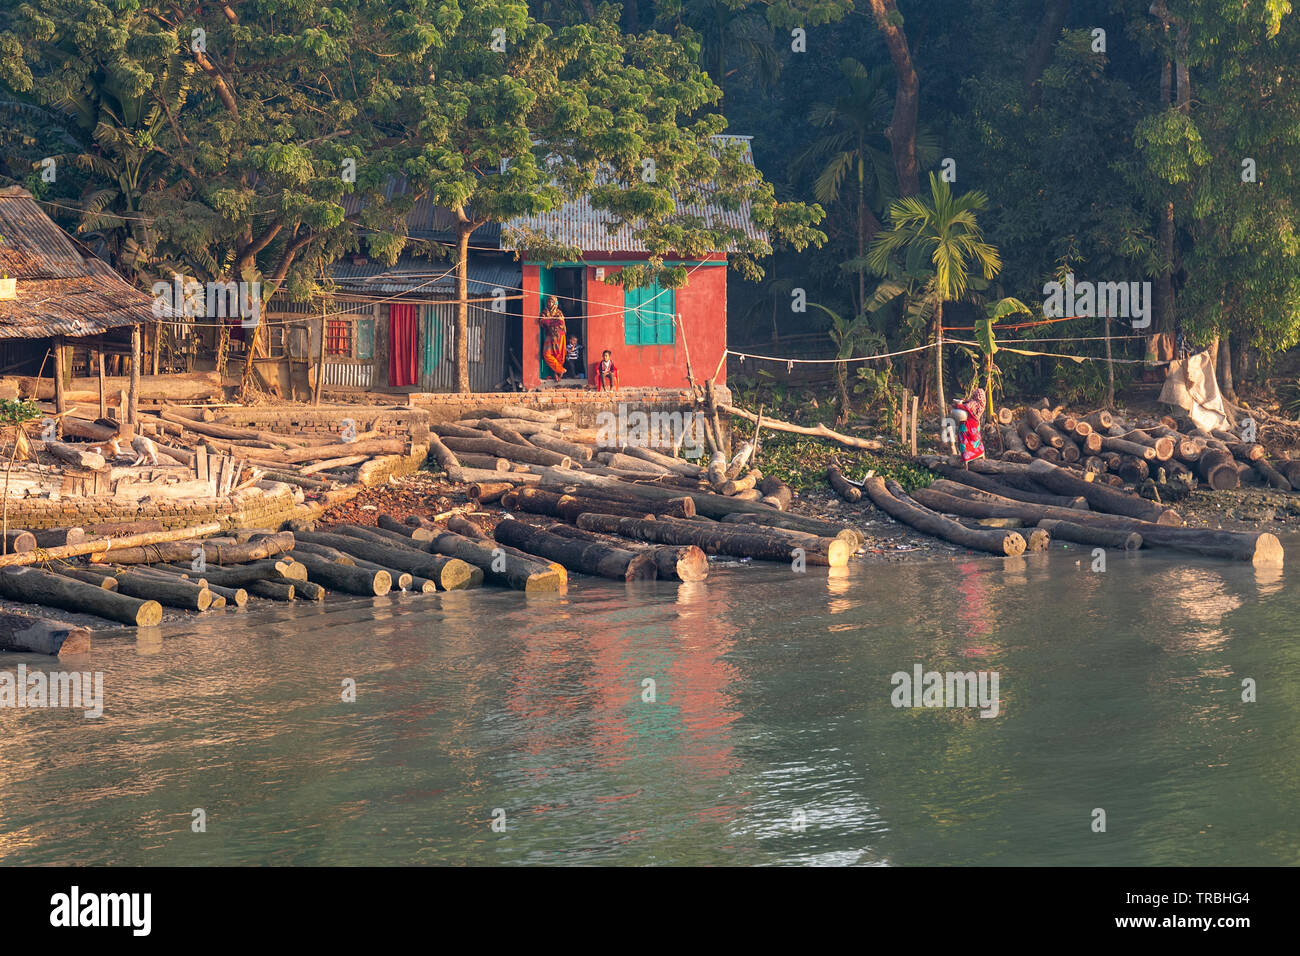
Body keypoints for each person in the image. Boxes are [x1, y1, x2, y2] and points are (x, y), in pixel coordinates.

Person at [951, 385, 986, 468]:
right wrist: (965, 401)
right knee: (976, 440)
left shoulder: (972, 404)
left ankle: (966, 461)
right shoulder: (981, 404)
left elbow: (962, 406)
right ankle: (980, 453)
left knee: (964, 441)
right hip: (975, 425)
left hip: (967, 425)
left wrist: (956, 404)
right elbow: (968, 403)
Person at [539, 296, 567, 379]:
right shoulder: (544, 312)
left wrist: (549, 321)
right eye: (548, 302)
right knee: (546, 354)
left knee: (560, 356)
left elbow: (560, 322)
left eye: (551, 302)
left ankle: (557, 373)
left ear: (555, 303)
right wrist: (553, 321)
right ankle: (560, 370)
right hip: (549, 336)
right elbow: (542, 321)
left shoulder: (559, 312)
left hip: (560, 335)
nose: (550, 304)